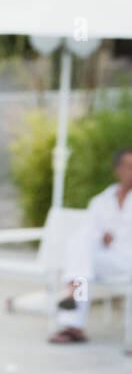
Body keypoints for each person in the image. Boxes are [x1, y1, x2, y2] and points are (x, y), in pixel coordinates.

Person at [49, 147, 132, 345]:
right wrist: (100, 237)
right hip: (105, 262)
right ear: (117, 169)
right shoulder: (100, 202)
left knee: (81, 264)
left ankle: (72, 306)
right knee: (82, 242)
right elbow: (90, 235)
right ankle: (74, 315)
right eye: (129, 167)